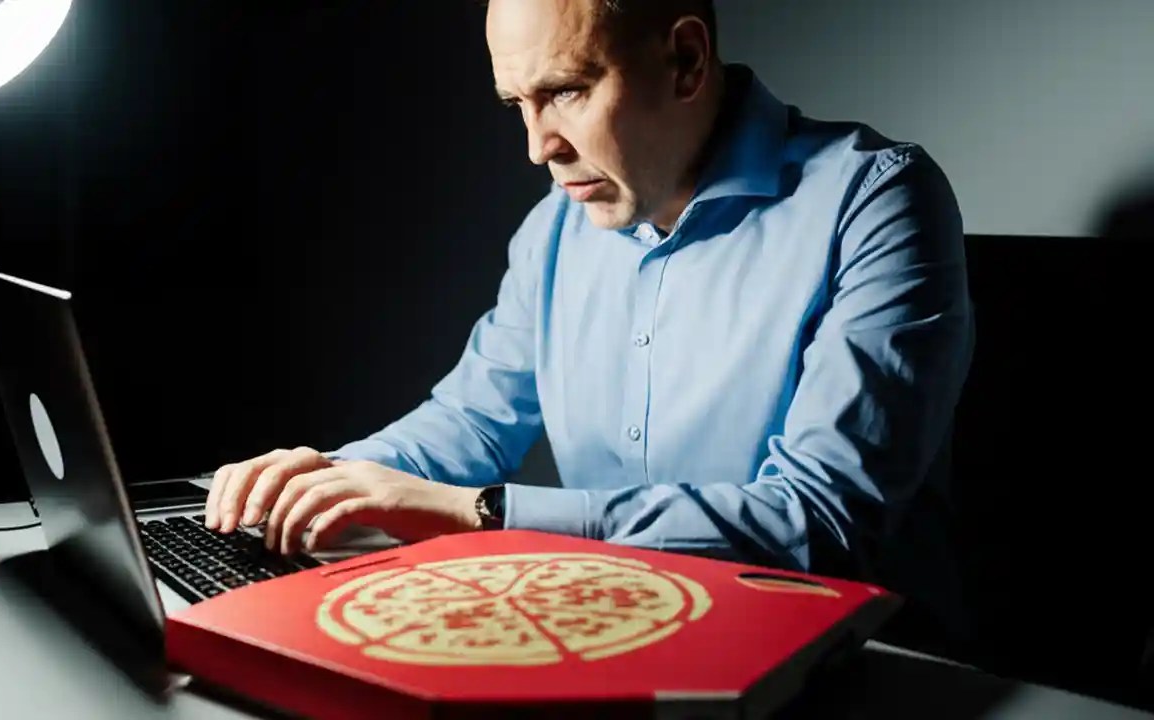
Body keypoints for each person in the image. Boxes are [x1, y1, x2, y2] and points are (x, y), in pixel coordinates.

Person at [204, 0, 974, 652]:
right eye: (517, 104)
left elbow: (819, 522)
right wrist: (325, 480)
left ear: (685, 60)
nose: (538, 147)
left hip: (857, 663)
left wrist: (482, 514)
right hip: (612, 638)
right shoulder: (555, 229)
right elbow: (470, 422)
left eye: (566, 90)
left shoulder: (872, 201)